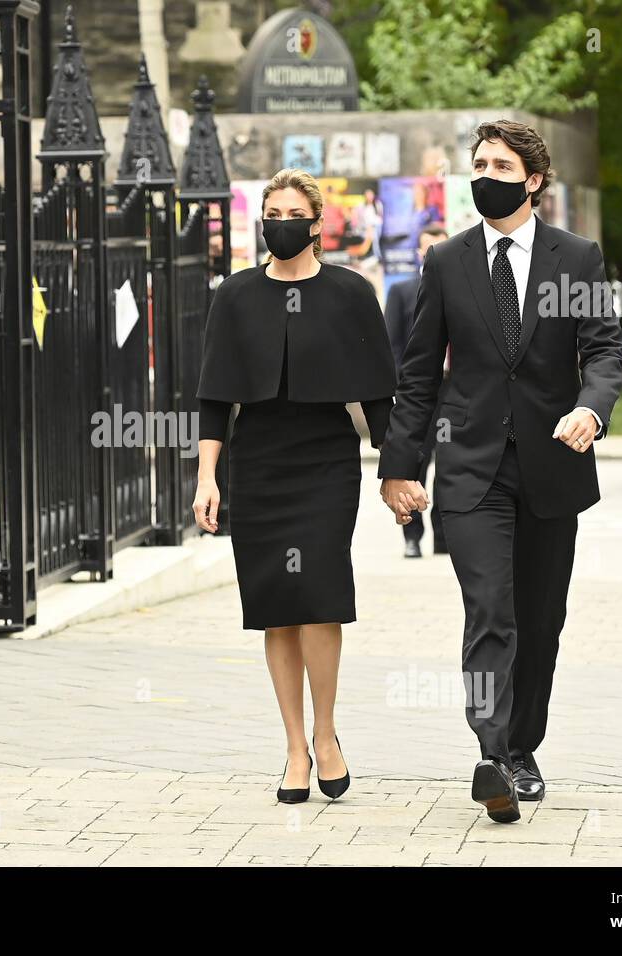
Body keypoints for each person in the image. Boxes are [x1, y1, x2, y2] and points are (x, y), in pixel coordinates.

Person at [377, 121, 622, 823]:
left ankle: (522, 747)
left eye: (501, 163)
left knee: (540, 621)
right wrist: (399, 469)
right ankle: (490, 752)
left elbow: (605, 351)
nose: (486, 172)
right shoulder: (446, 262)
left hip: (554, 464)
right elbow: (418, 377)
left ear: (534, 180)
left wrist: (592, 409)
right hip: (472, 473)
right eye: (479, 162)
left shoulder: (575, 258)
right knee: (490, 610)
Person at [192, 168, 396, 804]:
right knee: (276, 605)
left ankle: (328, 733)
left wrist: (399, 471)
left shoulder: (350, 293)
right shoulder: (234, 297)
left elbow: (380, 395)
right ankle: (294, 748)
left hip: (326, 463)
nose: (279, 221)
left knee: (319, 593)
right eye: (270, 211)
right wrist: (207, 478)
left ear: (316, 223)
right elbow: (214, 398)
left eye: (291, 211)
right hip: (258, 465)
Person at [383, 225, 448, 558]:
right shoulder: (403, 292)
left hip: (453, 397)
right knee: (415, 466)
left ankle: (443, 537)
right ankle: (411, 536)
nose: (433, 251)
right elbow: (392, 345)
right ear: (419, 252)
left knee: (449, 468)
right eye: (428, 246)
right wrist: (402, 393)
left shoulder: (462, 289)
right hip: (419, 395)